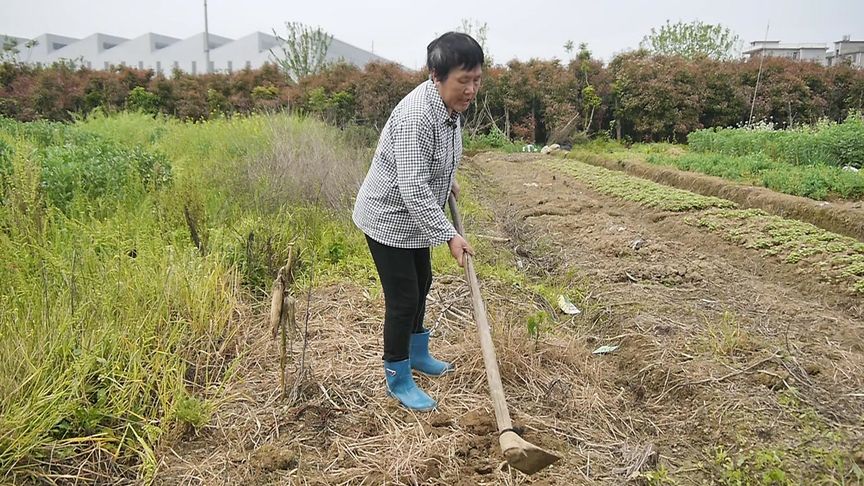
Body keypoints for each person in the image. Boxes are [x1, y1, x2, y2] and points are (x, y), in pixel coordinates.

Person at [352, 32, 483, 411]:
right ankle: (398, 374)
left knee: (423, 281)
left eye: (476, 80)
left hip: (413, 221)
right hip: (388, 217)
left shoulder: (450, 108)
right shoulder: (416, 117)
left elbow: (436, 156)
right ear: (436, 76)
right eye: (463, 81)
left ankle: (418, 353)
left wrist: (448, 177)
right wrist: (450, 235)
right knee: (403, 297)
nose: (471, 90)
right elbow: (412, 187)